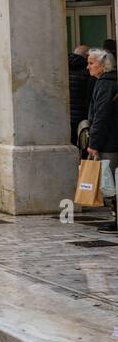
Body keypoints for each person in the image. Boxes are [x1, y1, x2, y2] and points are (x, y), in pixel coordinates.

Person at [85, 49, 118, 232]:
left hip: (109, 142)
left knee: (110, 183)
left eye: (91, 63)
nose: (88, 66)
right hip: (111, 139)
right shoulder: (107, 82)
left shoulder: (105, 84)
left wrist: (94, 144)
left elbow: (101, 116)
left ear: (103, 65)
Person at [69, 44, 93, 146]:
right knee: (82, 147)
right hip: (81, 118)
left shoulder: (64, 67)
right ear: (87, 56)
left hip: (67, 117)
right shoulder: (87, 70)